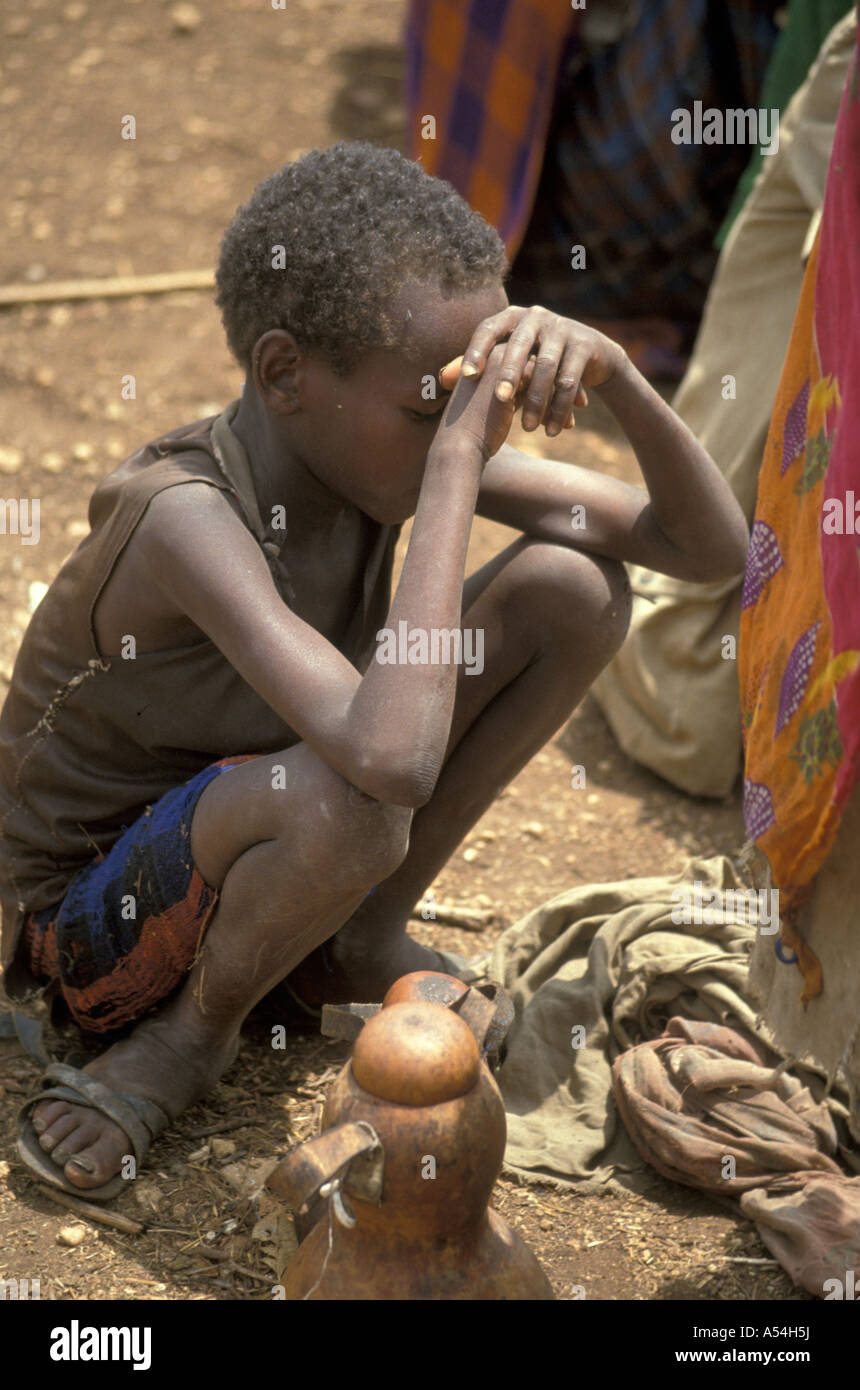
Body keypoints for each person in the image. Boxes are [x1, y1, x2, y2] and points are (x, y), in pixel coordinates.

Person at [1, 142, 748, 1200]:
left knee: (569, 589)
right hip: (86, 924)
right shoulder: (184, 517)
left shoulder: (366, 447)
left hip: (267, 837)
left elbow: (704, 548)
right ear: (283, 375)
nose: (465, 431)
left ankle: (340, 940)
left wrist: (616, 373)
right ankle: (184, 1042)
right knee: (353, 799)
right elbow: (390, 760)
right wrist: (455, 463)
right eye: (431, 406)